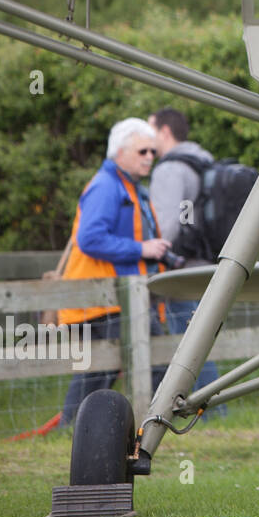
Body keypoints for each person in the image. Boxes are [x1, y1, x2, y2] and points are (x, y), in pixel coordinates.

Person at [58, 118, 169, 424]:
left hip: (121, 299)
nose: (150, 156)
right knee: (102, 372)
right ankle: (72, 429)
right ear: (119, 153)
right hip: (100, 300)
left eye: (152, 151)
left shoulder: (129, 187)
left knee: (135, 363)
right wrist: (141, 249)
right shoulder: (106, 186)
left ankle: (150, 423)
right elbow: (90, 238)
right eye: (142, 151)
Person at [146, 107, 221, 398]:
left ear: (165, 132)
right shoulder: (204, 161)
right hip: (209, 263)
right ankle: (214, 409)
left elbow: (166, 226)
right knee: (200, 340)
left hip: (182, 269)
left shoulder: (169, 169)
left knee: (187, 345)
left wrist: (148, 253)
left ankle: (208, 410)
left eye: (150, 131)